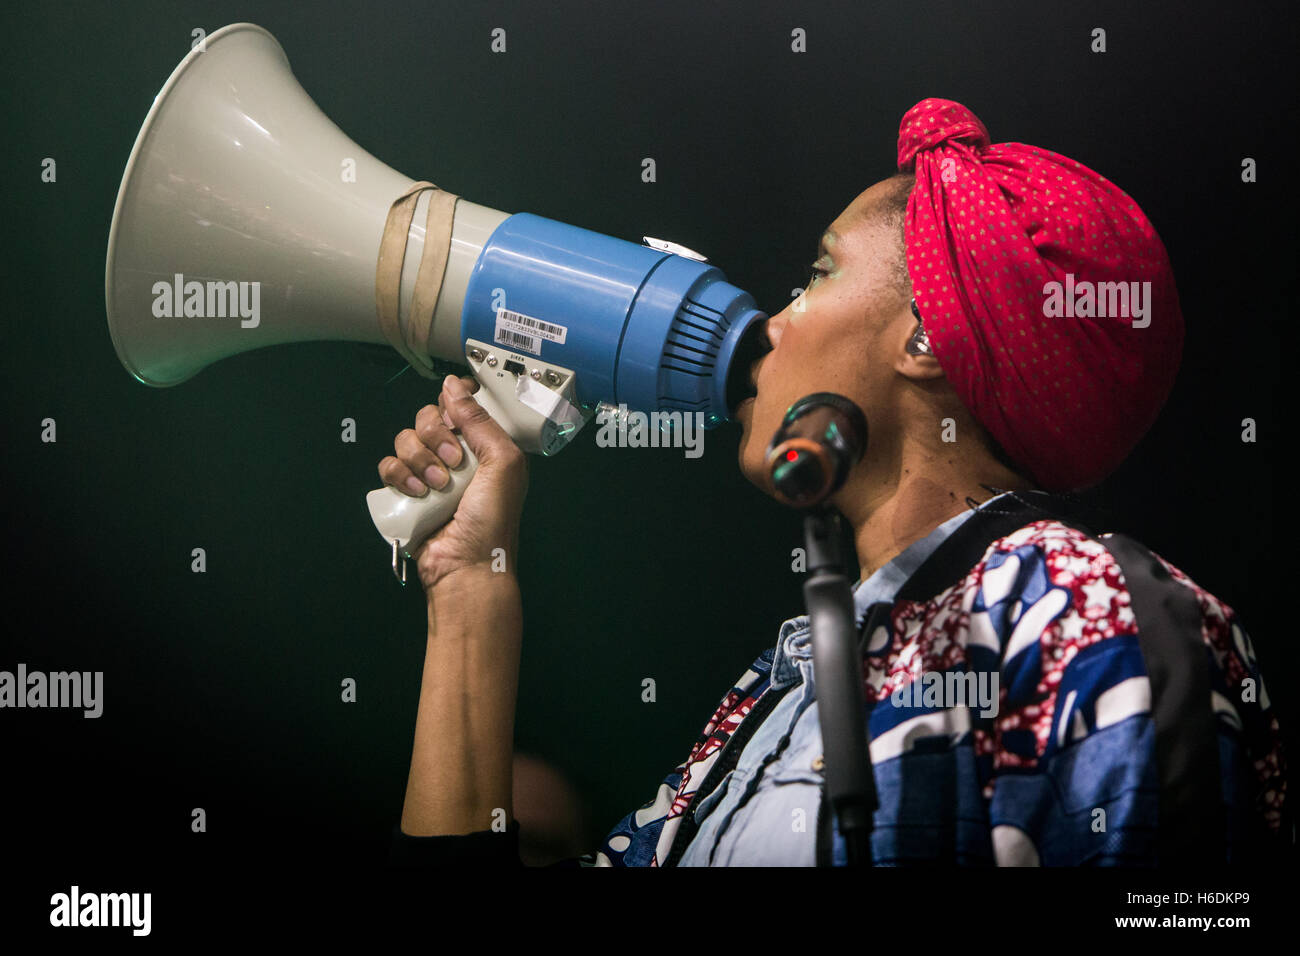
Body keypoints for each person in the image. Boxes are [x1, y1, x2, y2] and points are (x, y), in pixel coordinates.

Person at [383, 98, 1289, 867]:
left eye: (817, 273)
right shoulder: (784, 686)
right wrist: (469, 590)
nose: (771, 323)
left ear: (926, 339)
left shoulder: (1084, 608)